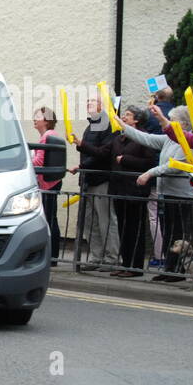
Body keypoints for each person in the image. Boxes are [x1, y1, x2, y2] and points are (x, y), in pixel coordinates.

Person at [120, 105, 193, 281]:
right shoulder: (169, 139)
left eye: (171, 120)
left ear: (182, 124)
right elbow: (147, 138)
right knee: (168, 232)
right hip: (167, 192)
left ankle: (176, 269)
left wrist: (150, 173)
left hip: (182, 194)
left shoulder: (189, 141)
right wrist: (124, 126)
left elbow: (175, 165)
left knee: (177, 234)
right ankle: (169, 268)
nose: (166, 124)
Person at [107, 106, 157, 277]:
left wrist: (126, 159)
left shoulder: (143, 137)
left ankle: (135, 266)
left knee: (134, 228)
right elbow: (104, 153)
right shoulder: (119, 137)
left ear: (137, 120)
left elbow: (149, 162)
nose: (124, 116)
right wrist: (82, 145)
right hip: (119, 188)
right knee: (123, 226)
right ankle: (125, 263)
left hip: (135, 189)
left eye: (128, 115)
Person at [72, 99, 120, 270]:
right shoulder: (90, 126)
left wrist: (82, 148)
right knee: (89, 221)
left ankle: (111, 258)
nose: (88, 103)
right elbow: (90, 152)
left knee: (105, 220)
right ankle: (96, 257)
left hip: (101, 179)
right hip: (89, 179)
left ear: (103, 106)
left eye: (93, 102)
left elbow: (103, 153)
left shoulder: (108, 126)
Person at [30, 107, 67, 265]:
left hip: (47, 184)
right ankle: (51, 256)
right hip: (50, 183)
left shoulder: (47, 136)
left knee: (49, 219)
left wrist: (22, 162)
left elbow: (39, 162)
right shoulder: (48, 136)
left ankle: (52, 256)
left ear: (46, 120)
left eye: (37, 116)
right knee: (51, 218)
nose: (34, 119)